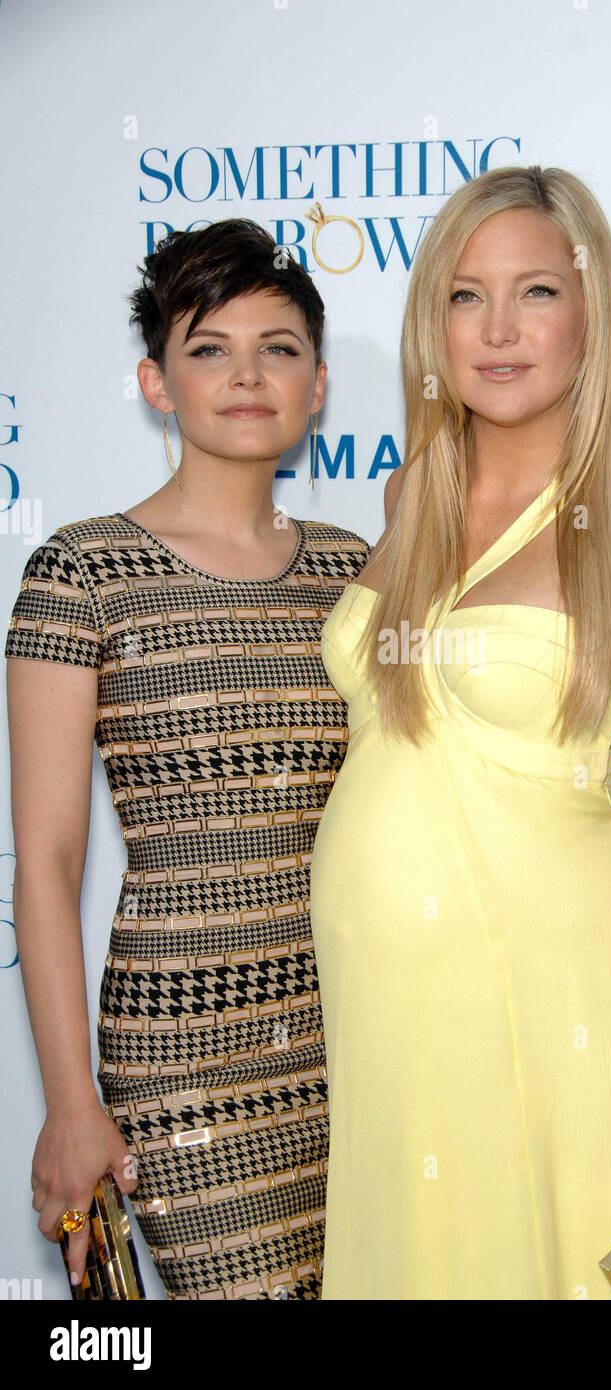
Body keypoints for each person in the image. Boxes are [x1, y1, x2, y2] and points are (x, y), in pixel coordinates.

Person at [309, 165, 611, 1299]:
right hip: (393, 1016)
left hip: (569, 997)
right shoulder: (403, 503)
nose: (495, 329)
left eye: (534, 291)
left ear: (590, 318)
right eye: (463, 296)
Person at [4, 219, 374, 1299]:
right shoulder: (80, 569)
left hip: (355, 1025)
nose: (247, 374)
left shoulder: (359, 575)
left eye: (279, 347)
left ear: (317, 385)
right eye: (208, 347)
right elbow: (47, 859)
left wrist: (604, 736)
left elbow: (446, 749)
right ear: (156, 383)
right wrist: (72, 1102)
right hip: (182, 1055)